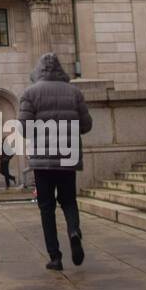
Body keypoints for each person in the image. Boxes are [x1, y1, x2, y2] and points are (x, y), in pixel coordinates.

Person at [19, 52, 93, 272]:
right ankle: (73, 230)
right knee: (69, 201)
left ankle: (55, 256)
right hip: (67, 156)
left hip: (42, 160)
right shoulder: (74, 92)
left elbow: (24, 128)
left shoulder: (30, 93)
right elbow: (87, 125)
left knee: (46, 207)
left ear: (39, 71)